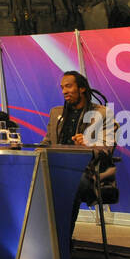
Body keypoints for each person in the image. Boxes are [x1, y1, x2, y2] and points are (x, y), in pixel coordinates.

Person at [45, 70, 115, 237]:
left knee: (67, 183)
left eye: (68, 86)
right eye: (62, 88)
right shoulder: (57, 113)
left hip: (88, 171)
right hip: (56, 167)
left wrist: (88, 144)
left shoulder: (102, 113)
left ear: (82, 88)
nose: (64, 91)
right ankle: (47, 241)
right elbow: (47, 141)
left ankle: (62, 242)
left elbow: (107, 147)